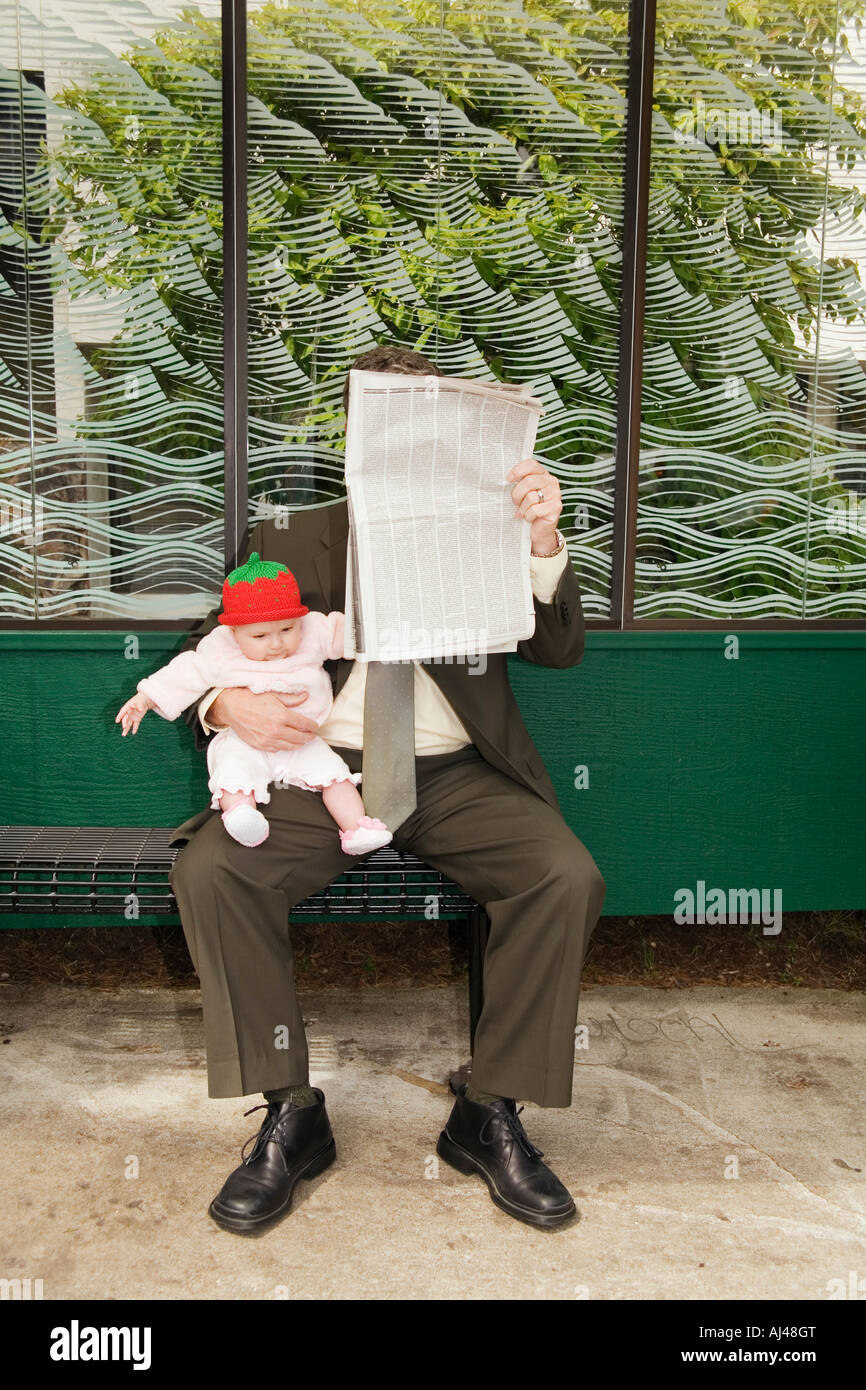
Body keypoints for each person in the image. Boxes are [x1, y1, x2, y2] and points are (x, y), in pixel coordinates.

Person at [168, 344, 606, 1235]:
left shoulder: (485, 527)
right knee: (214, 872)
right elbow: (206, 653)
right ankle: (292, 1112)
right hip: (320, 771)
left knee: (564, 874)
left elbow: (559, 650)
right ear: (358, 433)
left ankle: (489, 1112)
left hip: (456, 775)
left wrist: (542, 541)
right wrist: (226, 703)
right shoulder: (291, 537)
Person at [115, 552, 392, 856]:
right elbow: (184, 673)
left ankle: (356, 828)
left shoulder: (311, 631)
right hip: (244, 740)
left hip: (302, 738)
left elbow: (347, 634)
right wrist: (145, 698)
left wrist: (384, 631)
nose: (276, 644)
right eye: (260, 635)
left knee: (334, 775)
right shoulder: (220, 649)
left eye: (287, 630)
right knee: (234, 774)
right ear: (234, 632)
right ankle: (241, 817)